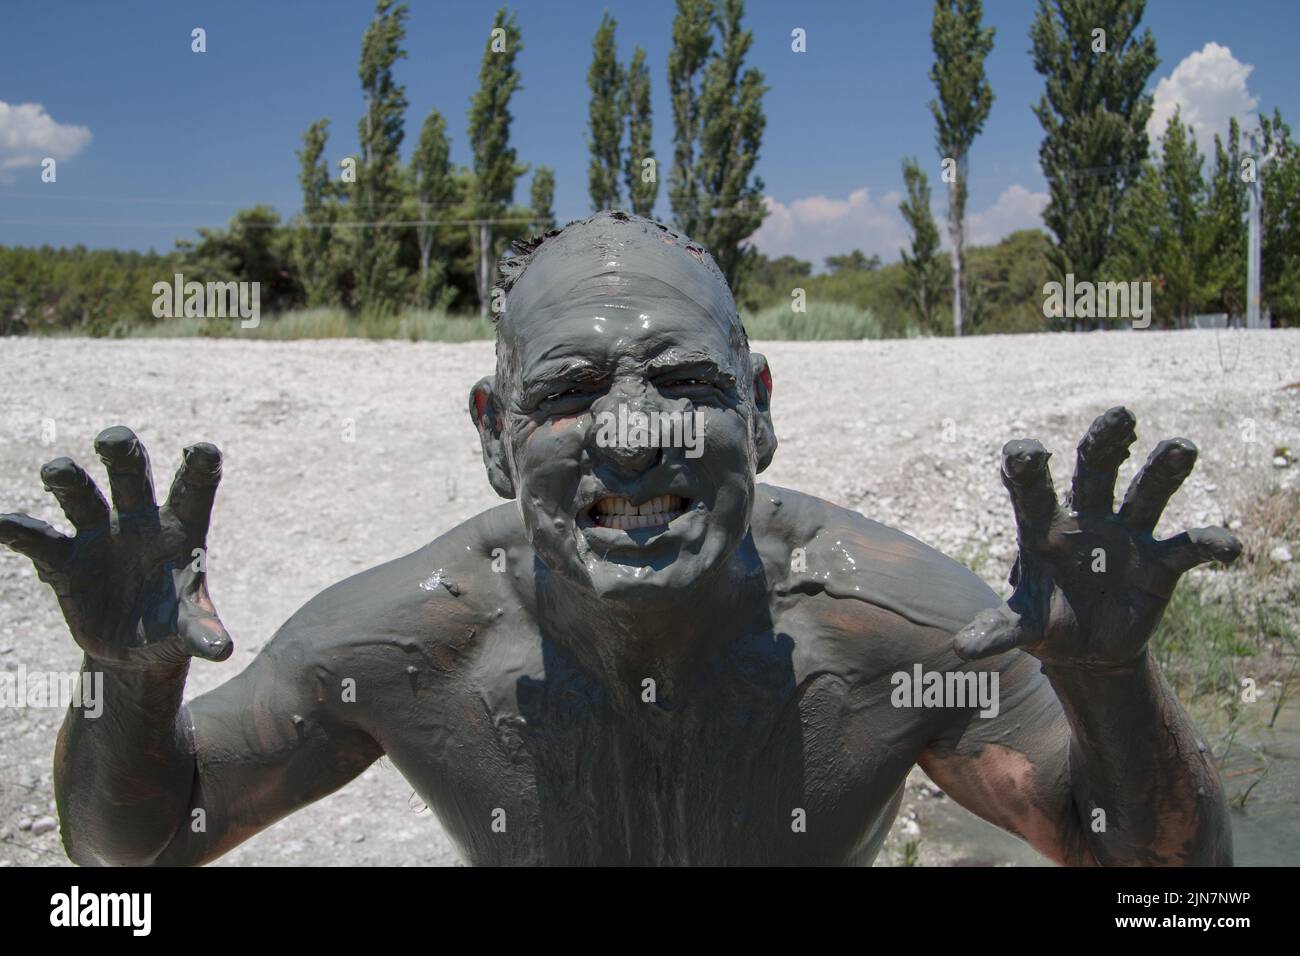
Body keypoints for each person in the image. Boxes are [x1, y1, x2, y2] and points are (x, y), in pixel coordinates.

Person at [0, 211, 1241, 865]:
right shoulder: (406, 640)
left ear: (757, 409)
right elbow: (131, 862)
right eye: (573, 390)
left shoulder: (890, 628)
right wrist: (126, 682)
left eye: (687, 383)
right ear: (496, 432)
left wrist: (1111, 681)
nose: (635, 433)